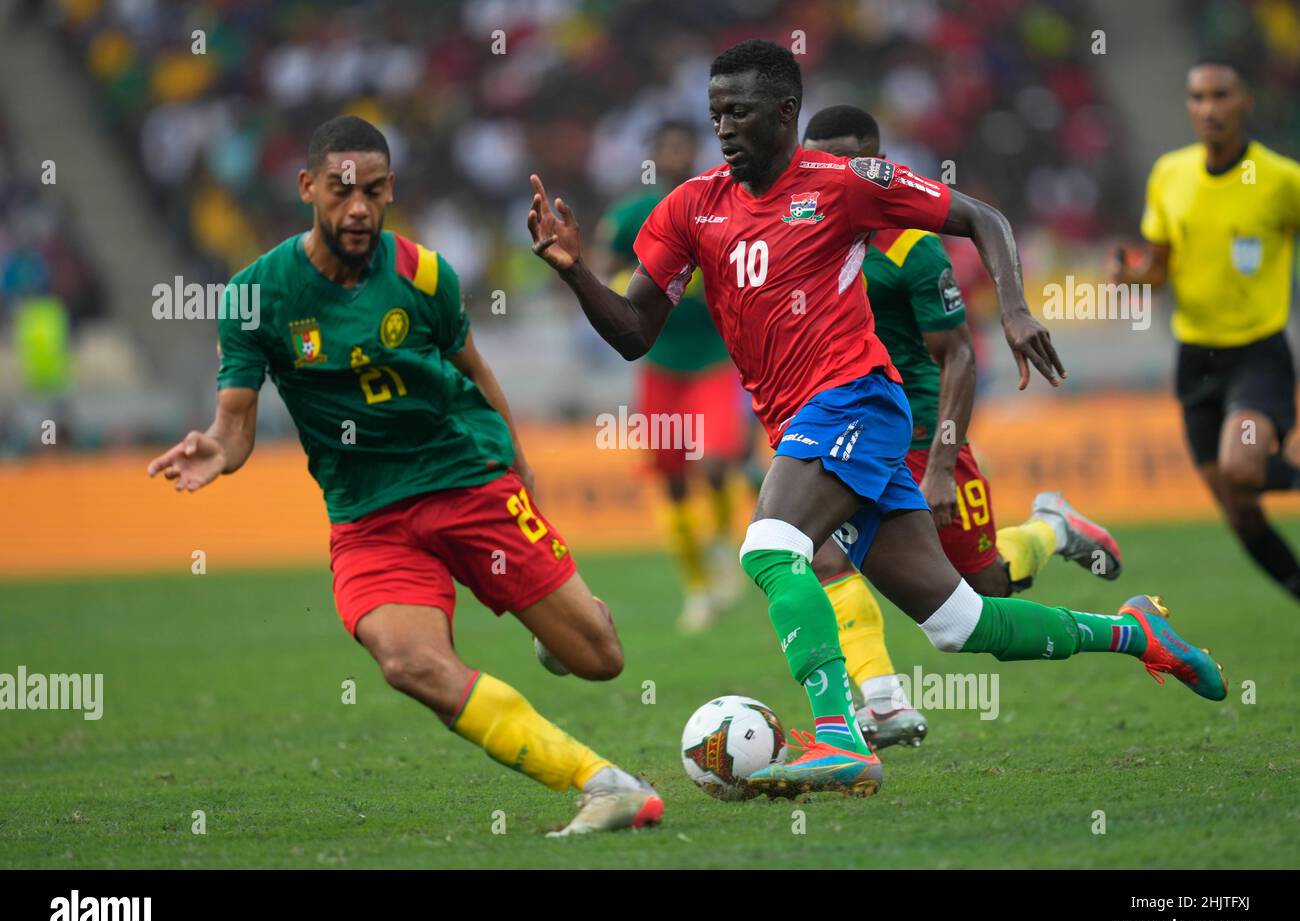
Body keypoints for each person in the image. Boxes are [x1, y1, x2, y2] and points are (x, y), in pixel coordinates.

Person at [528, 41, 1226, 799]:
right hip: (803, 419)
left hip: (856, 396)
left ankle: (840, 738)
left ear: (786, 114)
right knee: (961, 619)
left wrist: (1017, 309)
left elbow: (982, 217)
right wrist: (574, 274)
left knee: (770, 546)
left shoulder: (844, 184)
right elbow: (635, 333)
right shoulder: (691, 208)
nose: (723, 128)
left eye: (740, 112)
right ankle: (1136, 633)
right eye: (715, 114)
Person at [147, 116, 662, 837]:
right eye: (341, 190)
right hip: (369, 517)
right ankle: (601, 783)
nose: (358, 207)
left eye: (375, 190)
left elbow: (476, 375)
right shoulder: (254, 294)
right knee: (409, 662)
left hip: (466, 481)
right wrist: (215, 449)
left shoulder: (423, 274)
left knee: (601, 660)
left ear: (391, 192)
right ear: (308, 189)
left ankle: (563, 617)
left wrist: (521, 471)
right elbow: (233, 426)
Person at [800, 104, 1124, 749]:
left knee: (982, 588)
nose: (826, 174)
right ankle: (885, 704)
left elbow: (959, 356)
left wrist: (944, 463)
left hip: (922, 436)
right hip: (848, 434)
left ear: (877, 164)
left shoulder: (914, 252)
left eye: (841, 160)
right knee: (819, 551)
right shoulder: (808, 239)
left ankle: (1051, 529)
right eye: (816, 161)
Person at [1114, 58, 1300, 603]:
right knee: (1239, 512)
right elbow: (1158, 268)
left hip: (1256, 354)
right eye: (1198, 98)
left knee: (1243, 466)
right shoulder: (1170, 174)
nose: (1209, 109)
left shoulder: (1279, 179)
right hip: (1195, 360)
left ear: (1245, 102)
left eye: (1221, 96)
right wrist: (1130, 275)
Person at [594, 121, 747, 632]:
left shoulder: (720, 204)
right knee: (673, 480)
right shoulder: (630, 215)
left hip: (712, 356)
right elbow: (604, 268)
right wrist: (618, 283)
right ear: (654, 158)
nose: (677, 156)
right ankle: (697, 587)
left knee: (720, 459)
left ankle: (723, 545)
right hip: (659, 362)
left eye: (685, 148)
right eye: (668, 149)